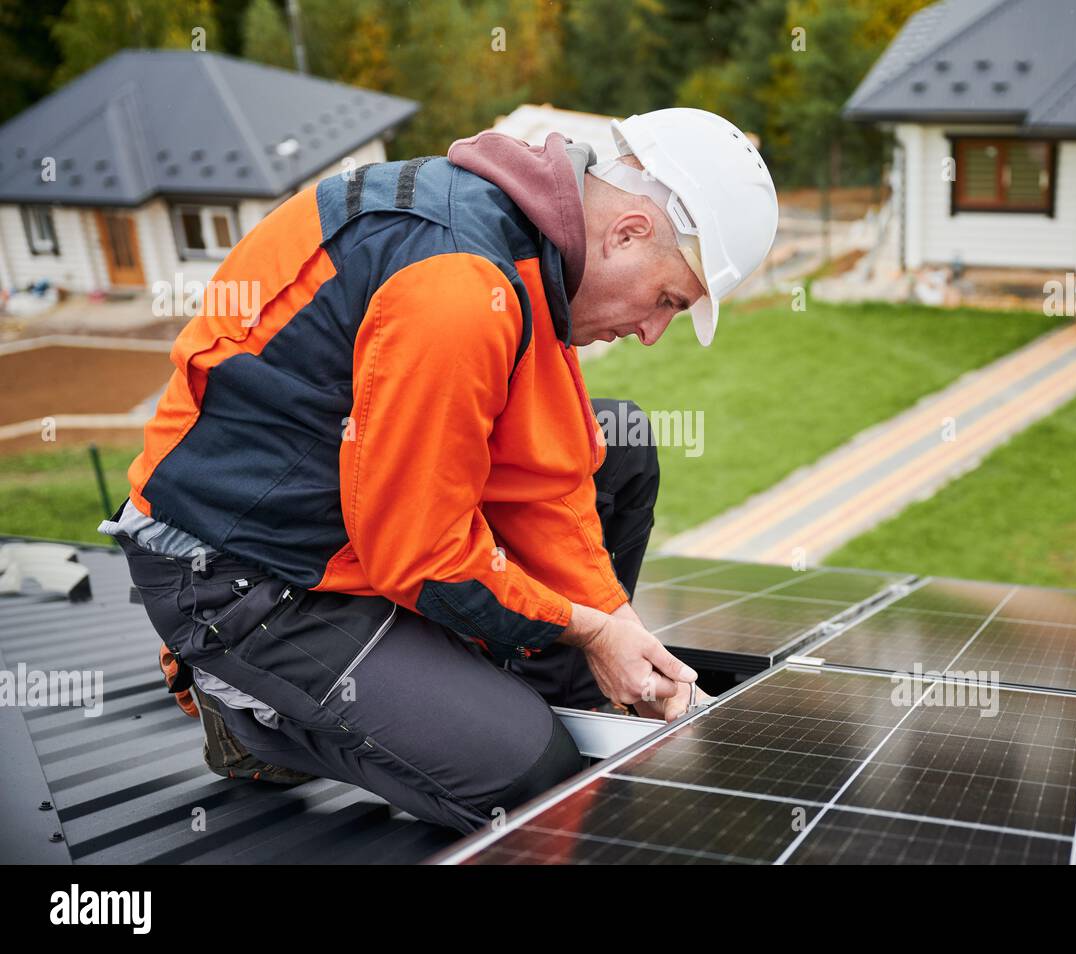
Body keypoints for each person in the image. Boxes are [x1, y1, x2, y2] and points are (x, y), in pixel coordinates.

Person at [101, 108, 780, 833]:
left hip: (350, 513)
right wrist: (583, 629)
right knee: (529, 781)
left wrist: (610, 619)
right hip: (245, 575)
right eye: (668, 301)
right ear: (630, 231)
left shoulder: (530, 249)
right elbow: (418, 554)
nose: (651, 333)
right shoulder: (458, 284)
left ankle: (522, 691)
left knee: (621, 446)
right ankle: (243, 715)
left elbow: (542, 475)